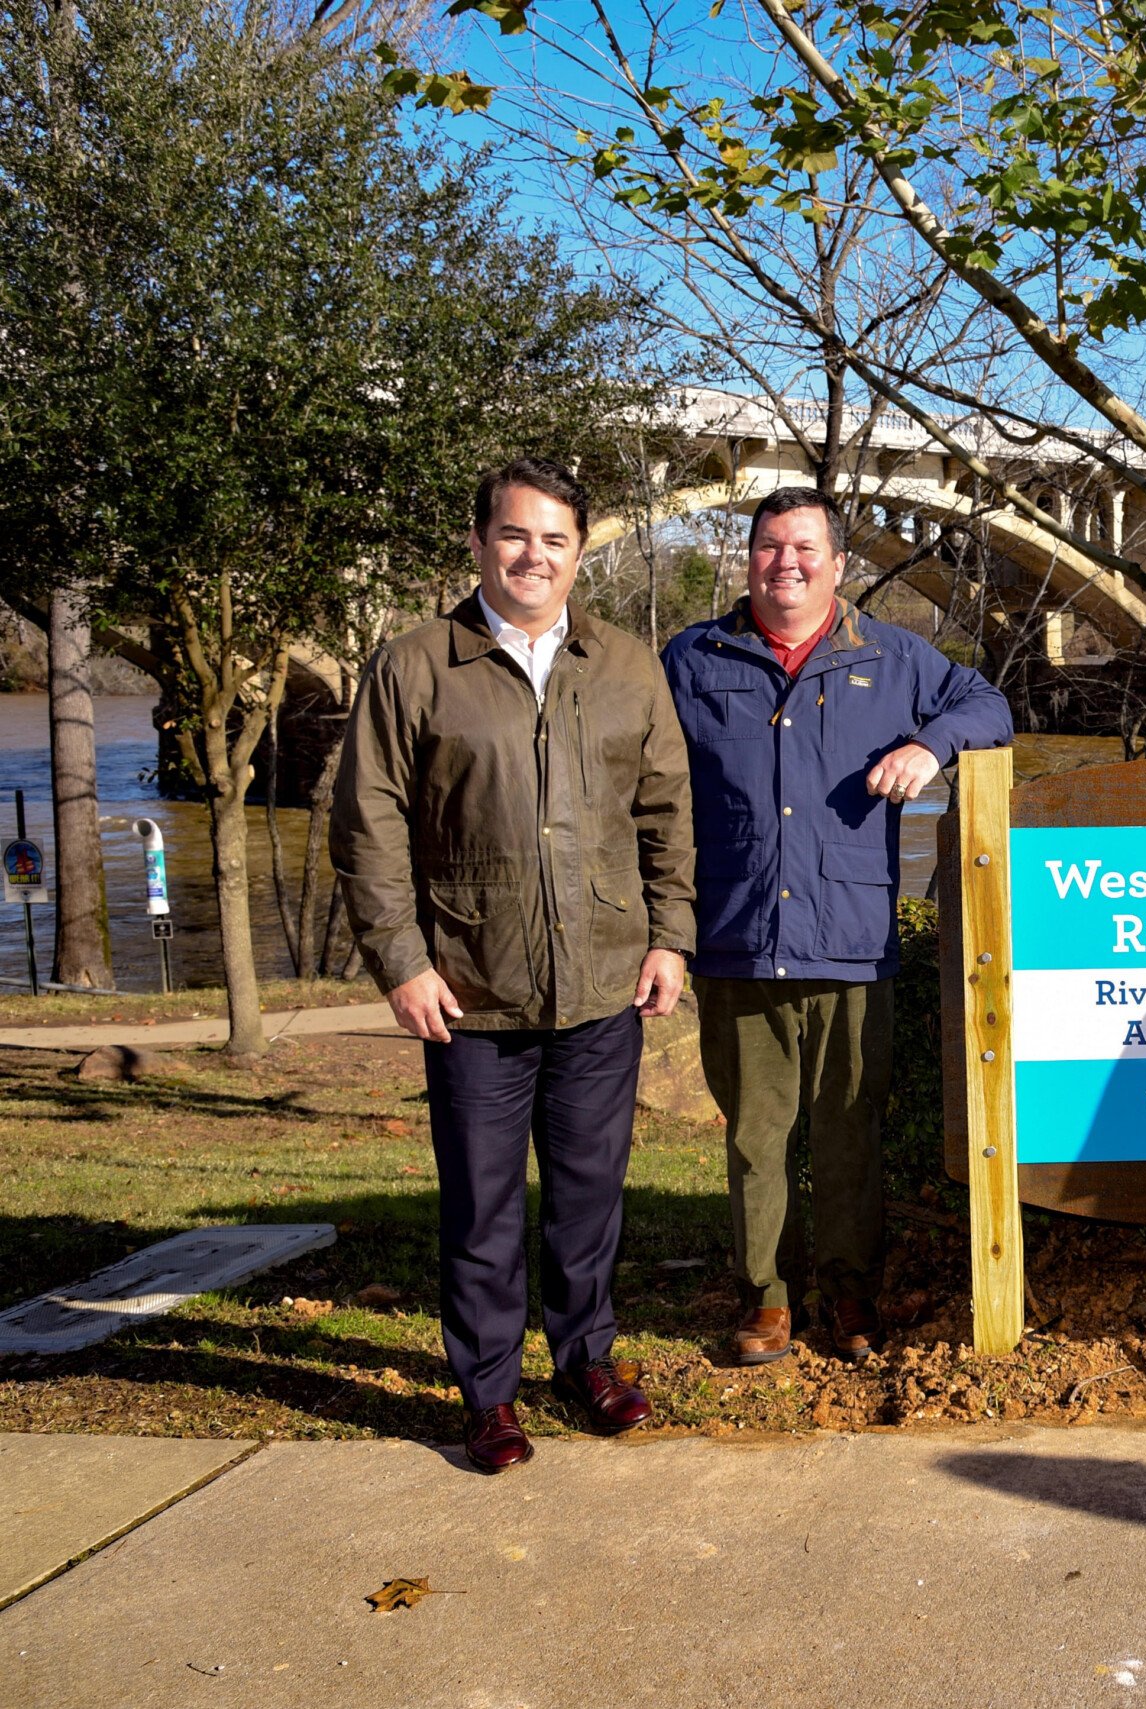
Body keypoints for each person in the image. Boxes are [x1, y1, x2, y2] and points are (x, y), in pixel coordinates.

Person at [333, 457, 695, 1474]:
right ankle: (489, 1392)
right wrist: (402, 960)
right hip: (471, 985)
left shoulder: (627, 664)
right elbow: (368, 821)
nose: (534, 555)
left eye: (556, 539)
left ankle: (586, 1361)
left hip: (602, 981)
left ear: (581, 552)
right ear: (480, 540)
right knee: (482, 1205)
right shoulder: (416, 665)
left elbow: (667, 812)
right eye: (515, 534)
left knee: (589, 1196)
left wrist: (670, 934)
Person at [662, 488, 1011, 1366]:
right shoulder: (693, 659)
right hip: (736, 936)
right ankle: (765, 1297)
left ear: (839, 563)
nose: (788, 563)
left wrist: (931, 746)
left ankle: (850, 1288)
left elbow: (990, 707)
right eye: (771, 546)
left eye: (806, 548)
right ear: (749, 558)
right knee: (753, 1131)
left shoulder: (893, 658)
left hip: (852, 939)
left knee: (851, 1127)